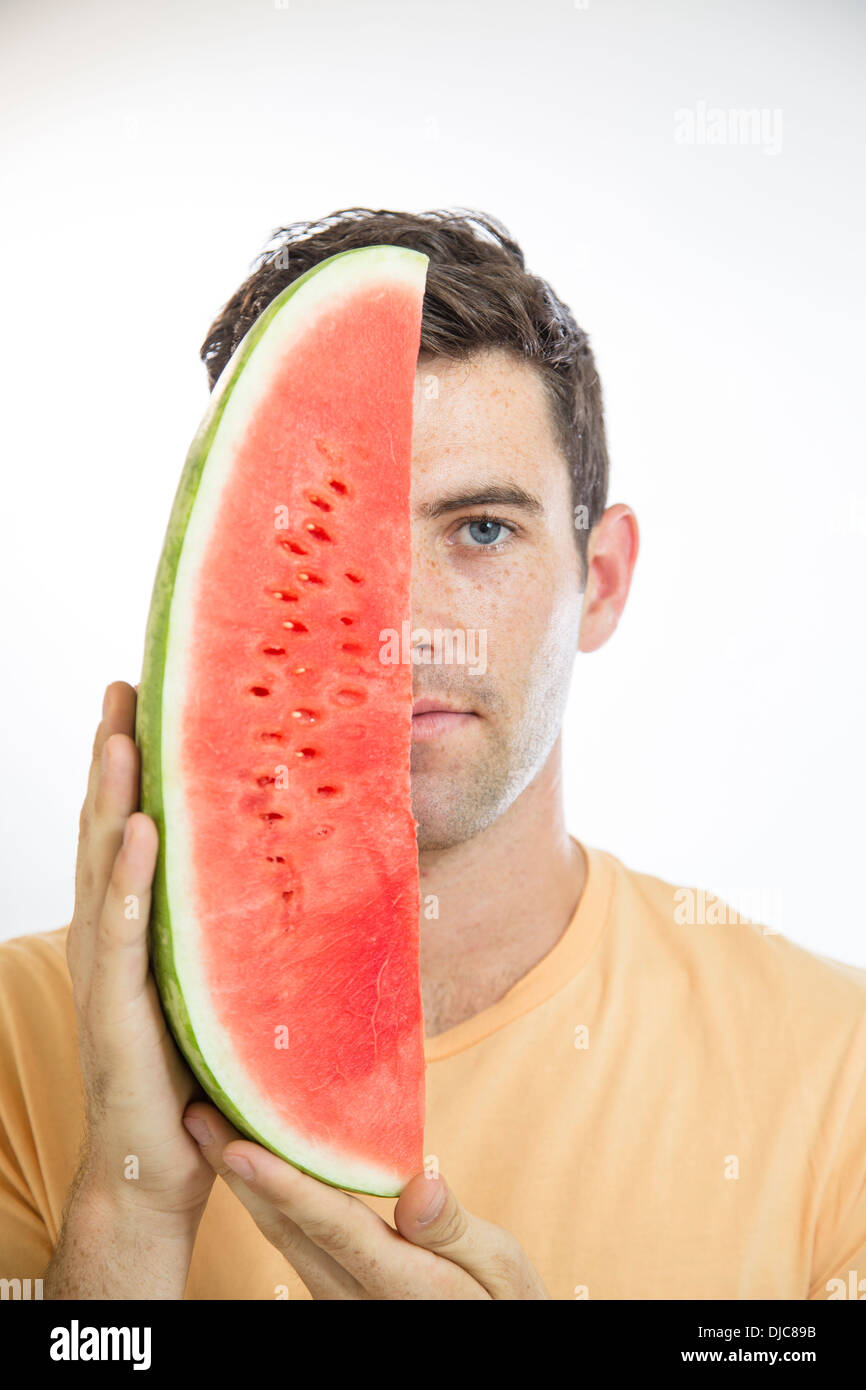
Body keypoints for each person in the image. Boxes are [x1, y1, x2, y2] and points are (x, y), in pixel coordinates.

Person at [1, 208, 864, 1301]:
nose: (398, 625)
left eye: (482, 529)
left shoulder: (839, 1074)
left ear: (599, 580)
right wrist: (127, 1201)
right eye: (322, 539)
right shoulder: (18, 1041)